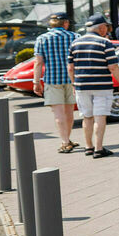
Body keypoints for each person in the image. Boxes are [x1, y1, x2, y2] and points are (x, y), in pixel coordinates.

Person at [67, 14, 119, 158]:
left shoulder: (75, 43)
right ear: (102, 27)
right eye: (106, 27)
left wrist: (74, 84)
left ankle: (88, 147)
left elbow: (70, 68)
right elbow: (113, 67)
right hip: (102, 86)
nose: (106, 30)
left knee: (87, 117)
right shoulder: (105, 43)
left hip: (81, 86)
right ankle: (98, 149)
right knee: (100, 117)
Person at [32, 14, 79, 153]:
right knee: (69, 112)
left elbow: (38, 62)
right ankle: (67, 139)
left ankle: (65, 142)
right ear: (65, 23)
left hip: (52, 80)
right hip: (72, 80)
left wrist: (36, 82)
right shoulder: (74, 36)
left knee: (58, 113)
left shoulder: (42, 39)